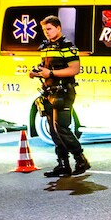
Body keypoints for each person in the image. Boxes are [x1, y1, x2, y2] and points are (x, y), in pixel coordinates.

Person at [28, 15, 90, 177]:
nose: (46, 32)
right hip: (49, 91)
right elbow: (46, 66)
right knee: (53, 130)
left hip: (63, 91)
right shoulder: (46, 46)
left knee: (61, 128)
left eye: (49, 29)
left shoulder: (67, 46)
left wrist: (52, 73)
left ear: (58, 28)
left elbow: (74, 69)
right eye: (44, 30)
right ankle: (63, 165)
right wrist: (36, 72)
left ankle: (80, 159)